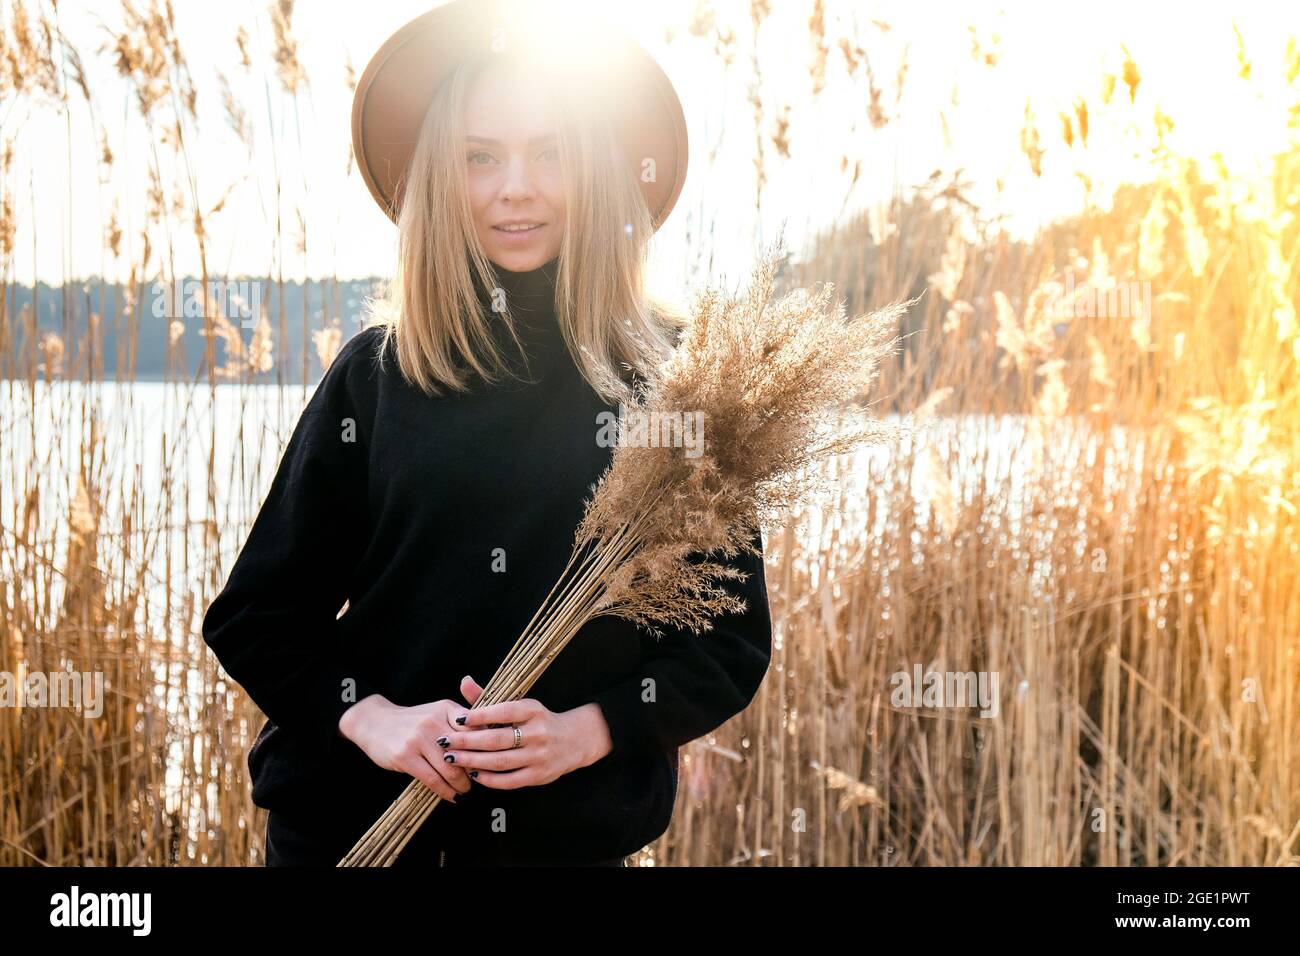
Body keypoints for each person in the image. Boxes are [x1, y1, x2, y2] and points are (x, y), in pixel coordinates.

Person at [201, 0, 773, 867]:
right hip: (350, 837)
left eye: (551, 152)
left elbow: (728, 642)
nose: (517, 186)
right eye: (480, 157)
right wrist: (373, 717)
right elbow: (257, 616)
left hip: (562, 848)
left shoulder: (678, 389)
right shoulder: (380, 374)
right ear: (439, 175)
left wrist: (588, 731)